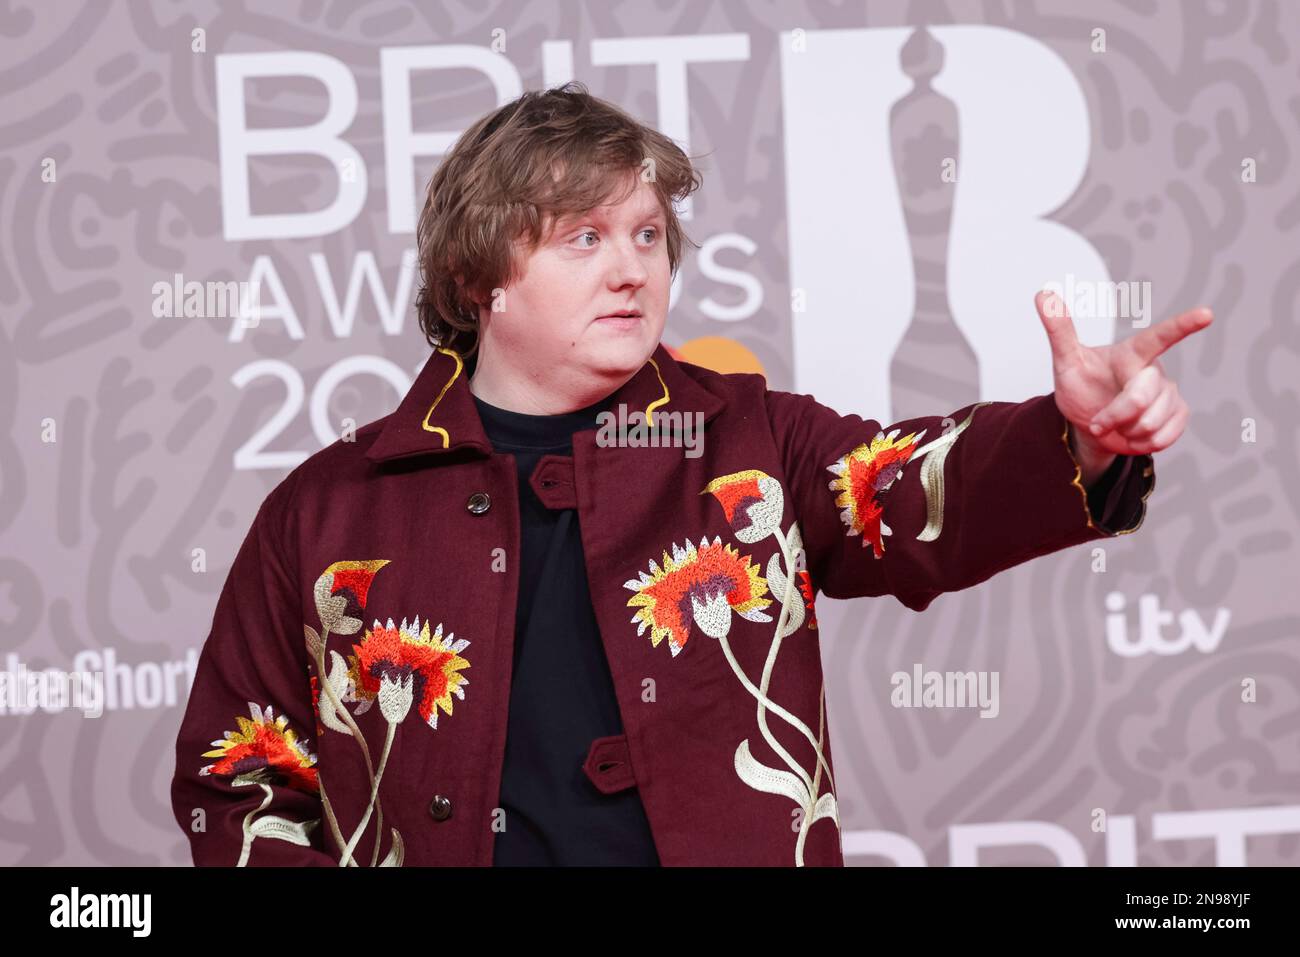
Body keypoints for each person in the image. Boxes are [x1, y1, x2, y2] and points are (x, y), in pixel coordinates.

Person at [170, 81, 1210, 867]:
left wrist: (1075, 441)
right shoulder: (328, 507)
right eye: (583, 238)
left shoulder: (749, 438)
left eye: (648, 235)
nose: (633, 268)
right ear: (474, 276)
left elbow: (908, 487)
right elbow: (240, 773)